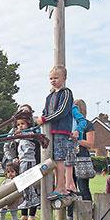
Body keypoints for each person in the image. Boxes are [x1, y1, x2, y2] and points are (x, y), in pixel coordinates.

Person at [35, 66, 75, 200]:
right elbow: (45, 111)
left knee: (59, 159)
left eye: (56, 78)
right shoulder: (49, 96)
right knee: (53, 159)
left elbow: (62, 111)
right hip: (50, 132)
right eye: (51, 78)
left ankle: (61, 187)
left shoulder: (66, 93)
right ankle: (59, 186)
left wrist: (45, 119)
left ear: (64, 78)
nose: (53, 80)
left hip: (61, 130)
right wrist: (41, 119)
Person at [71, 99, 95, 219]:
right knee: (70, 187)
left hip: (82, 158)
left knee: (83, 187)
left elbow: (90, 143)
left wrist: (77, 140)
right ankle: (71, 214)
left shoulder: (87, 124)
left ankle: (88, 213)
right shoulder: (69, 124)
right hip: (70, 158)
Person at [14, 113, 39, 220]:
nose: (20, 126)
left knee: (28, 183)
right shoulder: (21, 135)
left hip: (29, 161)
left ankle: (32, 200)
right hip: (23, 161)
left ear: (28, 124)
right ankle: (27, 203)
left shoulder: (30, 133)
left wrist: (20, 134)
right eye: (18, 124)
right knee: (23, 184)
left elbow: (31, 139)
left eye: (22, 124)